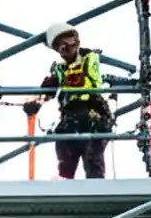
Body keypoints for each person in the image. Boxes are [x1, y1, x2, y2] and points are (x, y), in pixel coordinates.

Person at [24, 22, 114, 179]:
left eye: (68, 42)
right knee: (65, 154)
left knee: (93, 158)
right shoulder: (59, 68)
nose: (65, 48)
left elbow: (86, 80)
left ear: (77, 42)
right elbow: (49, 87)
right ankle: (65, 182)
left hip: (92, 111)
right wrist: (37, 100)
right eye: (60, 45)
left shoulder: (88, 58)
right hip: (71, 115)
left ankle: (95, 187)